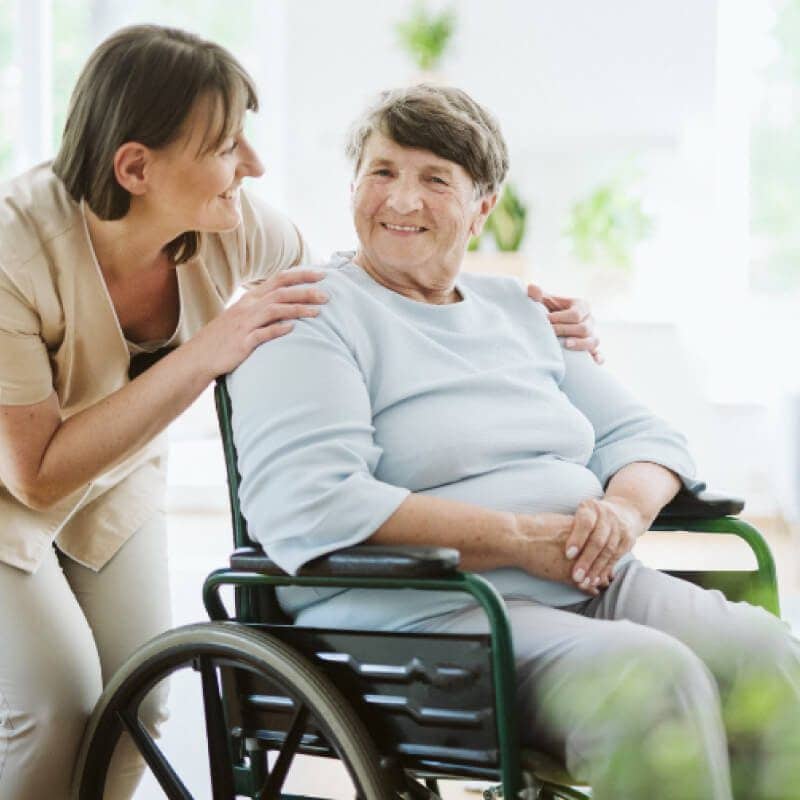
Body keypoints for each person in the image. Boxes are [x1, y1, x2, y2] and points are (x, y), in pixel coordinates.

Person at [0, 26, 595, 800]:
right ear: (137, 167)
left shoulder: (239, 225)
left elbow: (358, 294)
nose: (253, 164)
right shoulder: (15, 253)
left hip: (116, 480)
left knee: (140, 698)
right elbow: (37, 477)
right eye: (225, 146)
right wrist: (207, 351)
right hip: (13, 487)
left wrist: (501, 313)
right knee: (52, 707)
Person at [229, 84, 800, 800]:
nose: (401, 201)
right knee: (652, 682)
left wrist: (621, 513)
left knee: (766, 655)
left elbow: (646, 437)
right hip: (427, 614)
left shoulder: (519, 312)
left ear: (482, 208)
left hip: (585, 583)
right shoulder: (312, 315)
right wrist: (524, 540)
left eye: (435, 179)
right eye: (381, 172)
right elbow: (313, 504)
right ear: (353, 184)